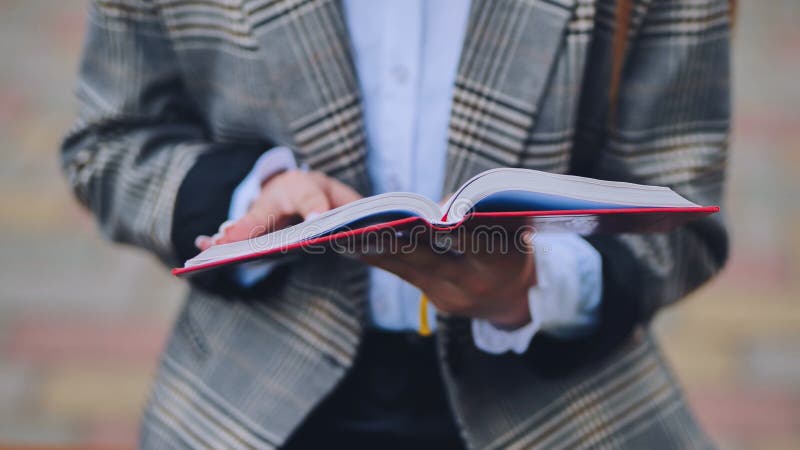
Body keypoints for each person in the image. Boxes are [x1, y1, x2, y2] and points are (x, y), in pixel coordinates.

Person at [61, 0, 732, 448]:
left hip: (560, 405)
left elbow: (680, 217)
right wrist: (252, 195)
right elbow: (108, 142)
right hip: (250, 390)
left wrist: (536, 283)